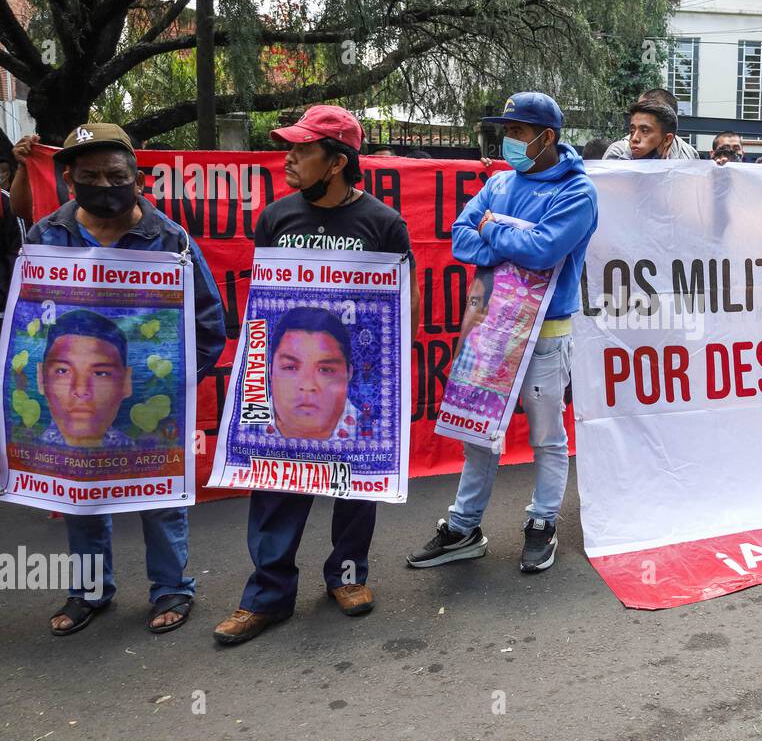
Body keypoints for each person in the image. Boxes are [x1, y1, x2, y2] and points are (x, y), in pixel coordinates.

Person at [214, 104, 418, 644]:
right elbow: (262, 302)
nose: (289, 157)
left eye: (302, 149)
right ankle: (267, 596)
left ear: (336, 162)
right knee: (275, 481)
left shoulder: (382, 224)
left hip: (351, 377)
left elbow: (403, 303)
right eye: (291, 147)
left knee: (354, 481)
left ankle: (347, 577)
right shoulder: (276, 219)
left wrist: (382, 376)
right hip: (278, 374)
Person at [25, 123, 226, 637]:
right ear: (70, 180)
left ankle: (172, 589)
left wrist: (180, 382)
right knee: (80, 493)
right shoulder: (46, 235)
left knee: (160, 500)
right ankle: (90, 591)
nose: (104, 184)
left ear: (137, 179)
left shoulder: (170, 238)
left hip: (154, 399)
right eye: (90, 176)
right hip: (73, 398)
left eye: (116, 175)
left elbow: (209, 320)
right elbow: (27, 322)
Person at [408, 91, 596, 575]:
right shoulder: (498, 184)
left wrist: (495, 231)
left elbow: (545, 251)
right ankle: (464, 526)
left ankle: (542, 522)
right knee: (478, 433)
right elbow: (460, 236)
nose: (508, 140)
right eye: (506, 131)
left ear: (546, 137)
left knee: (547, 438)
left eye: (516, 132)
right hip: (491, 329)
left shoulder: (577, 192)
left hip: (546, 333)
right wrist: (510, 236)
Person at [37, 310, 134, 448]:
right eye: (63, 371)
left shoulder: (134, 449)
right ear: (41, 378)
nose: (81, 390)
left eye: (101, 373)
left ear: (126, 383)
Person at [267, 307, 358, 440]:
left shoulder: (372, 431)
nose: (308, 385)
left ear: (348, 374)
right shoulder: (246, 427)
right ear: (270, 372)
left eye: (325, 370)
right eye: (291, 368)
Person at [602, 89, 700, 159]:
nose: (634, 138)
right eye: (632, 131)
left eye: (644, 131)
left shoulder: (688, 156)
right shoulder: (618, 152)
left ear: (667, 139)